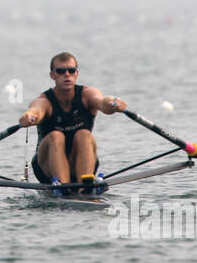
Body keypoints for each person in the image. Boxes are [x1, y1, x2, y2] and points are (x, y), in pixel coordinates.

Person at [17, 52, 127, 188]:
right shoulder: (45, 101)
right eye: (61, 71)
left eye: (71, 70)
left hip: (81, 161)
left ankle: (84, 187)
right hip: (47, 167)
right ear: (53, 75)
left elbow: (102, 102)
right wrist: (29, 116)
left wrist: (113, 102)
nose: (67, 74)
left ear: (77, 73)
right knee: (56, 136)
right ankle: (63, 187)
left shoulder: (87, 95)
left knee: (84, 134)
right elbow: (36, 110)